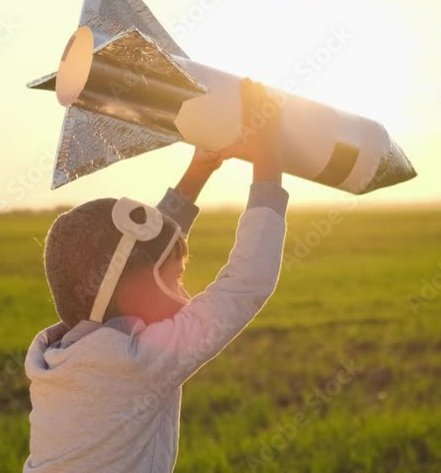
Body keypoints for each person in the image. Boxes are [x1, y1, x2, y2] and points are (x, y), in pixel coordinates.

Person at [24, 79, 289, 472]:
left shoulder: (63, 355)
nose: (185, 295)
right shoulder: (136, 362)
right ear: (127, 289)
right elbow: (245, 283)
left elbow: (136, 257)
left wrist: (199, 170)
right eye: (176, 278)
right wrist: (269, 158)